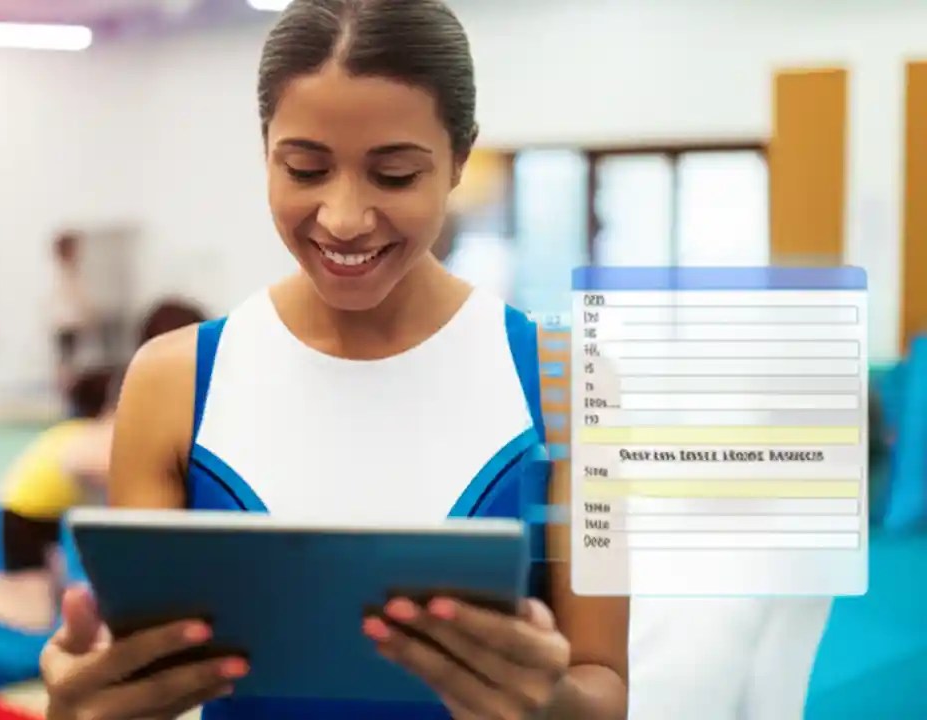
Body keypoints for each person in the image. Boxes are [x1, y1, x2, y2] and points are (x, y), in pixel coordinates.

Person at [40, 2, 629, 719]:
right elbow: (140, 676)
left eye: (395, 175)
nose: (344, 217)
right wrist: (87, 706)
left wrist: (555, 703)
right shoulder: (173, 382)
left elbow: (606, 685)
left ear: (459, 161)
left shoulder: (572, 383)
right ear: (267, 152)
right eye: (307, 168)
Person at [0, 299, 208, 632]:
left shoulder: (148, 398)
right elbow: (81, 462)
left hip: (44, 510)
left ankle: (12, 584)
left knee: (59, 596)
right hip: (25, 515)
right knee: (37, 619)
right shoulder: (133, 409)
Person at [50, 231, 97, 414]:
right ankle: (67, 402)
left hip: (70, 323)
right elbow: (74, 300)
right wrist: (87, 315)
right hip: (66, 324)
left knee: (70, 364)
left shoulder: (70, 273)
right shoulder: (65, 274)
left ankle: (69, 400)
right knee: (67, 365)